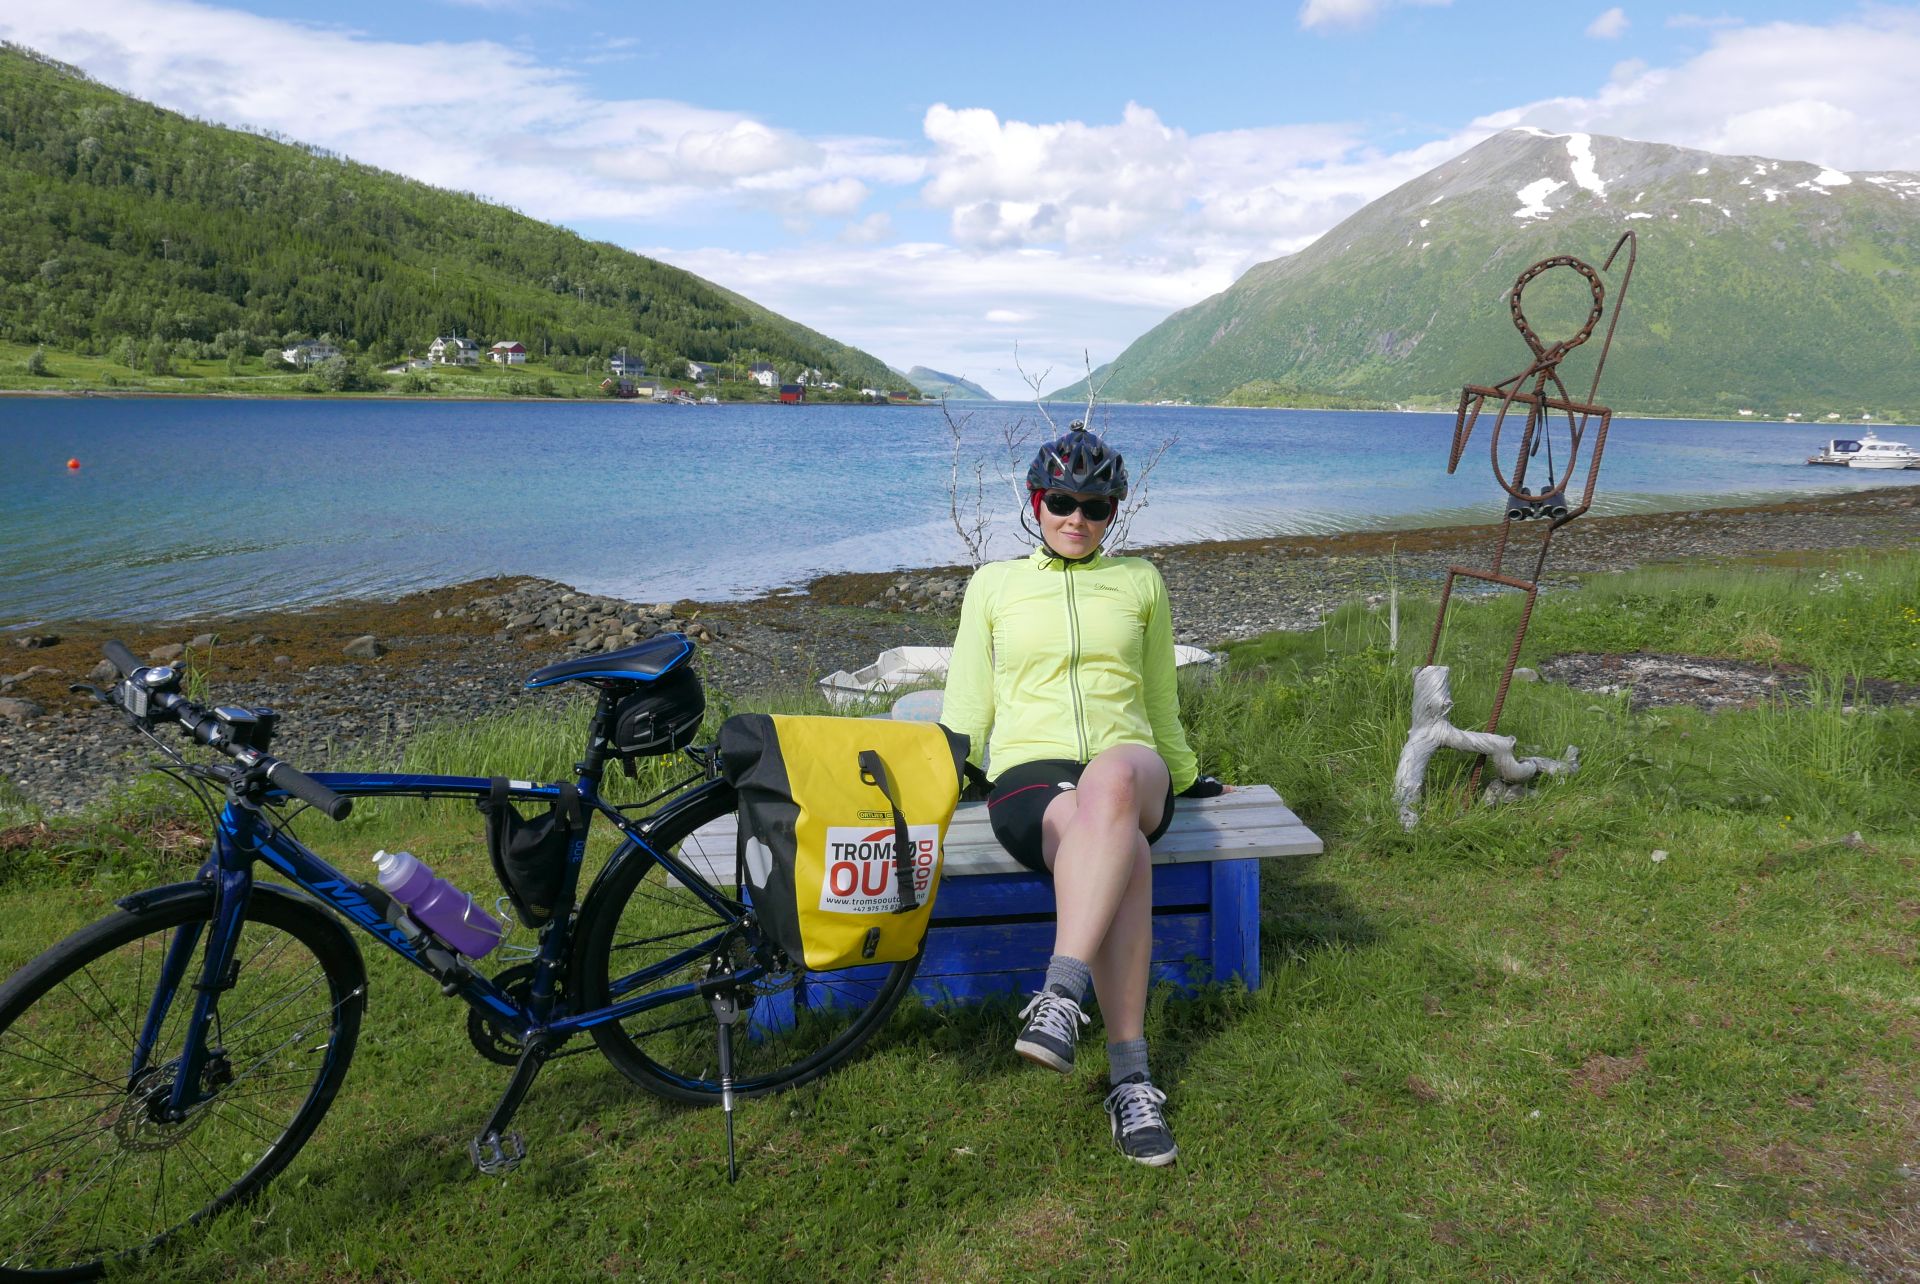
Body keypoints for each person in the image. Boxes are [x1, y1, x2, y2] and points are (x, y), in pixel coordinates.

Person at [941, 423, 1226, 1167]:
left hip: (1132, 764)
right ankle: (1132, 1081)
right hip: (1031, 777)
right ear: (1036, 503)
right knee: (1120, 841)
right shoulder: (995, 585)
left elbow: (1159, 699)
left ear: (1114, 514)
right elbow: (968, 699)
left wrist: (1189, 774)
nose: (1077, 518)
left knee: (1114, 781)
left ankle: (1060, 995)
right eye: (1062, 501)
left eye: (1095, 507)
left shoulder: (1140, 582)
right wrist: (944, 770)